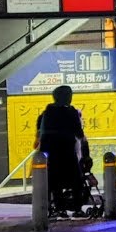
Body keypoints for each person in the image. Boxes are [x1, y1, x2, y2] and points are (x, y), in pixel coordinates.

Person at [34, 85, 91, 217]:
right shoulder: (71, 112)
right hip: (67, 150)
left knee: (55, 181)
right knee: (77, 179)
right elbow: (78, 132)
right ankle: (77, 209)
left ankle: (59, 209)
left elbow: (41, 134)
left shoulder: (46, 113)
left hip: (49, 153)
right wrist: (85, 147)